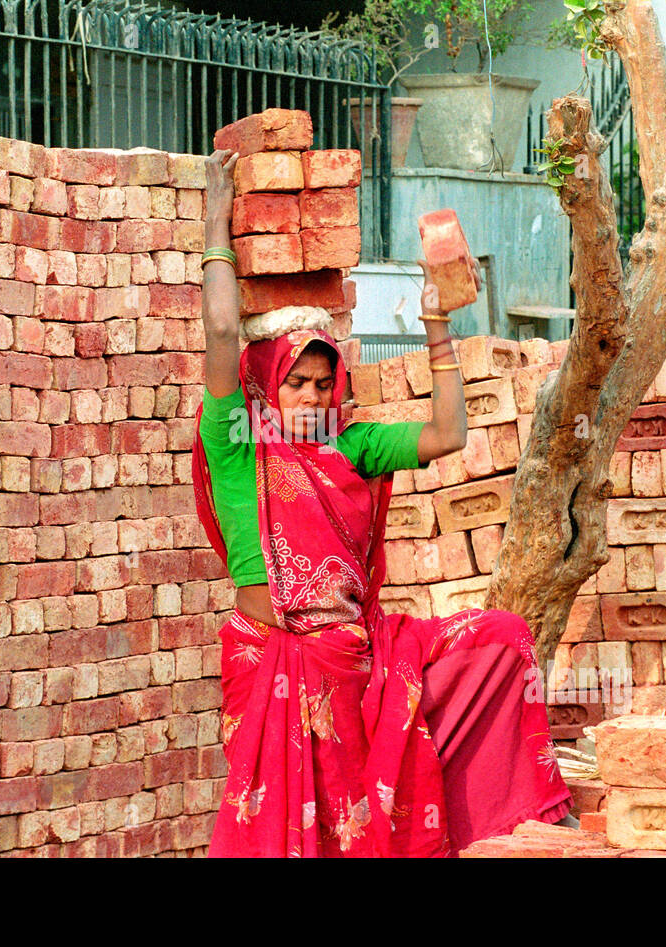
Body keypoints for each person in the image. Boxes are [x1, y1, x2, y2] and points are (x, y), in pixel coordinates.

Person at [192, 148, 572, 857]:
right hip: (275, 668)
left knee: (501, 639)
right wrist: (216, 218)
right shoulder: (239, 444)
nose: (309, 396)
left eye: (320, 382)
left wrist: (436, 328)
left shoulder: (353, 446)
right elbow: (219, 332)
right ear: (269, 383)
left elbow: (449, 432)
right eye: (296, 381)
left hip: (353, 669)